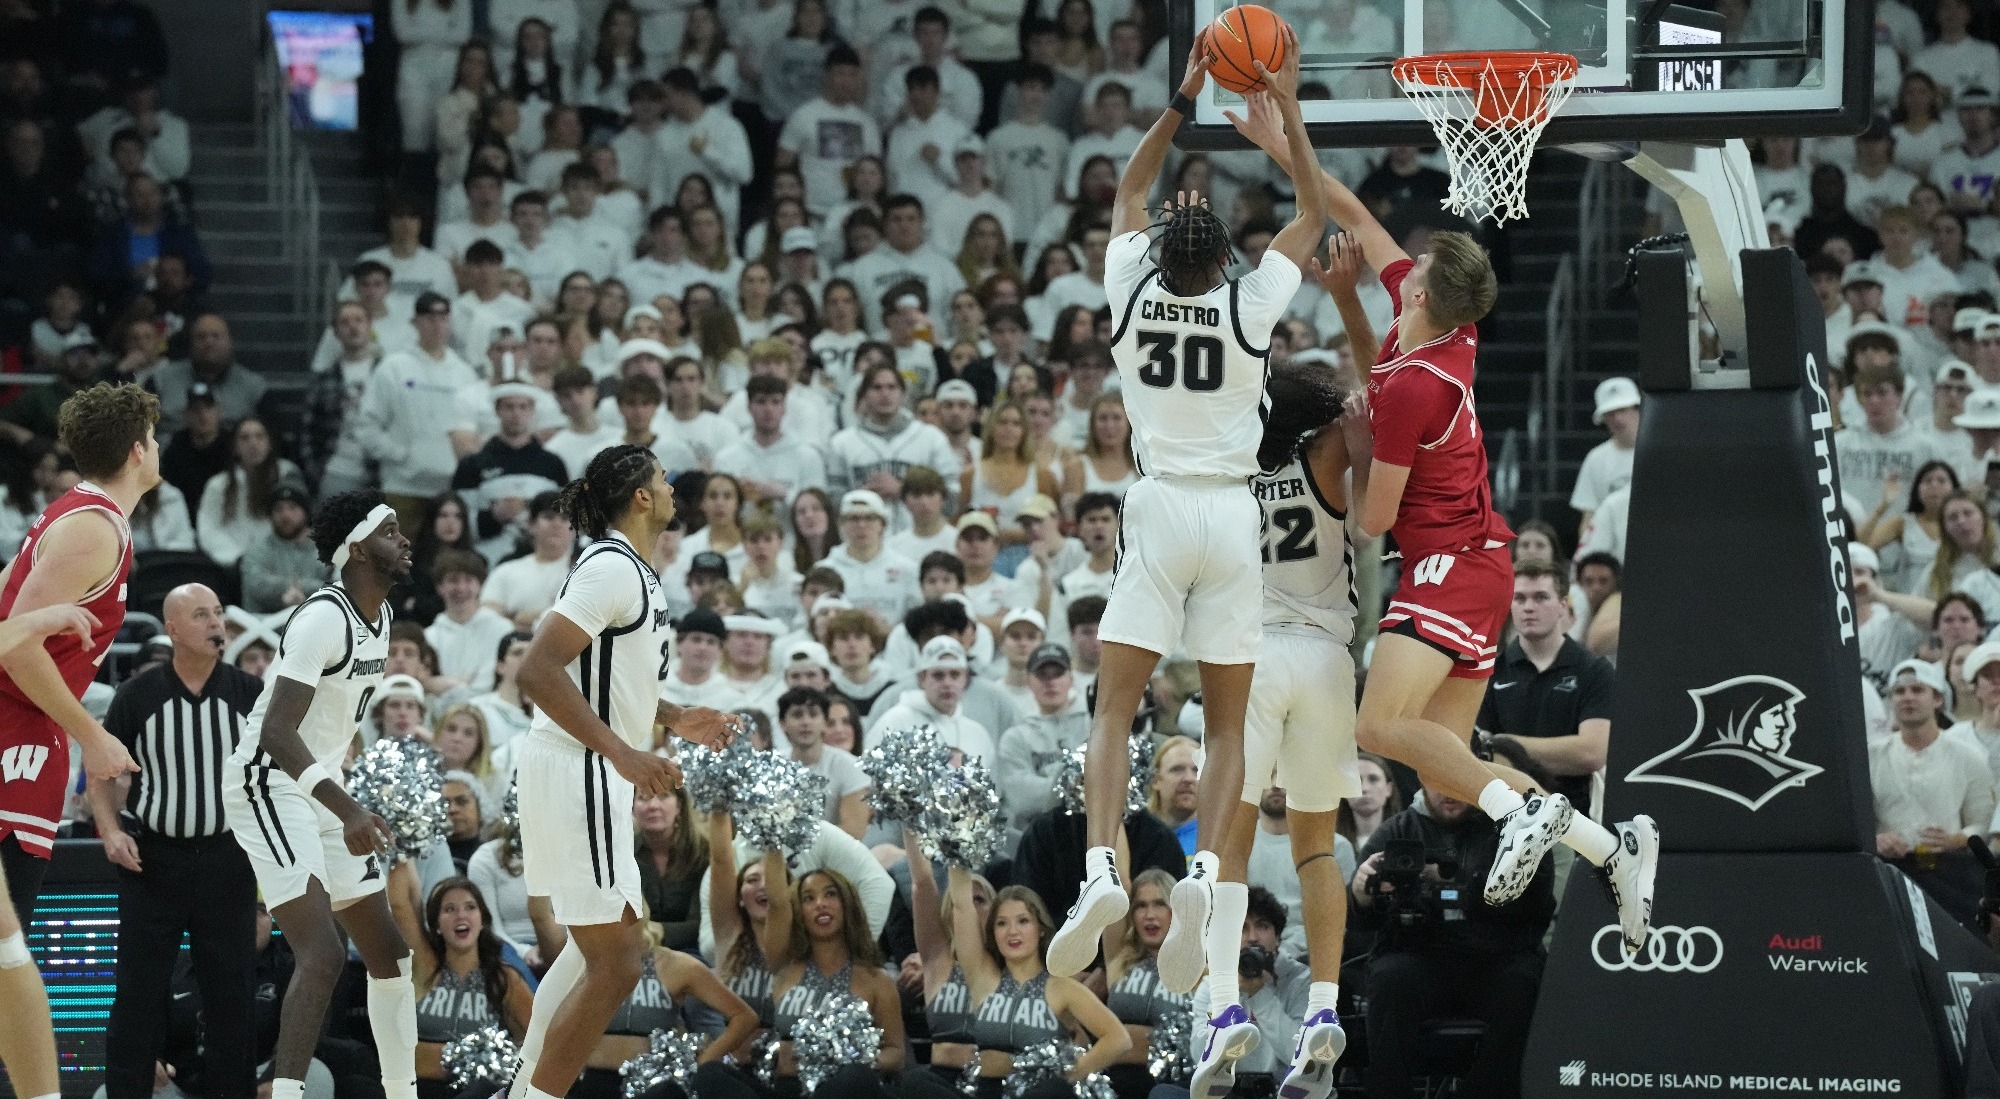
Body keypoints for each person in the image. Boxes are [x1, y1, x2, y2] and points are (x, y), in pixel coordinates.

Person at [1227, 90, 1654, 957]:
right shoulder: (1434, 337)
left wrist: (1350, 441)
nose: (1404, 263)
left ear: (1422, 291)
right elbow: (1346, 210)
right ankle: (1614, 847)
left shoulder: (1422, 380)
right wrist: (1286, 139)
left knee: (1376, 728)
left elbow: (1375, 519)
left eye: (1411, 267)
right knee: (1445, 755)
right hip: (1471, 564)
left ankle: (1530, 807)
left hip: (1448, 563)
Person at [1048, 42, 1326, 1099]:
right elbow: (1304, 212)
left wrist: (1181, 101)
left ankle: (1104, 868)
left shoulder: (1127, 280)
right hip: (1232, 515)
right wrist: (1285, 112)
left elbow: (1124, 185)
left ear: (1162, 247)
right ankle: (1207, 868)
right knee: (1221, 726)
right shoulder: (1251, 305)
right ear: (1227, 262)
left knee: (1114, 712)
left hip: (1157, 504)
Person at [504, 445, 739, 1099]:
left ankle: (523, 1088)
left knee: (593, 947)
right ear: (641, 496)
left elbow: (604, 681)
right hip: (580, 767)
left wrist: (675, 716)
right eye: (663, 480)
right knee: (620, 961)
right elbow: (537, 670)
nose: (670, 489)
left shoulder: (632, 570)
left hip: (579, 765)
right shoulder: (610, 567)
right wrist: (622, 753)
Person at [219, 490, 419, 1099]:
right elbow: (278, 734)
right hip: (266, 783)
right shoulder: (323, 617)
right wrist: (349, 808)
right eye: (389, 531)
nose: (404, 539)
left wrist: (342, 796)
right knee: (324, 954)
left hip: (320, 785)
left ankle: (402, 1091)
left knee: (391, 952)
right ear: (357, 549)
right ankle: (285, 1094)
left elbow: (328, 727)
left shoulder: (380, 615)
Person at [94, 583, 261, 1099]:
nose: (216, 624)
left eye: (218, 614)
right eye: (200, 615)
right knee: (137, 997)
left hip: (226, 861)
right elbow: (99, 771)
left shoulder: (249, 695)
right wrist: (108, 830)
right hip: (154, 861)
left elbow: (273, 776)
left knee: (231, 999)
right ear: (170, 629)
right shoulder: (137, 696)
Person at [0, 383, 153, 916]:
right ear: (138, 450)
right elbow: (17, 648)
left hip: (27, 725)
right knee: (8, 952)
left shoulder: (74, 512)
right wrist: (95, 737)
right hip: (15, 730)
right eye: (152, 438)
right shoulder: (93, 528)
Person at [1350, 763, 1557, 1099]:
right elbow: (1360, 928)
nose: (1448, 793)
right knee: (1389, 976)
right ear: (1421, 779)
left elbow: (1537, 908)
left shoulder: (1513, 830)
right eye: (1438, 780)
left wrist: (1458, 883)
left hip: (1496, 956)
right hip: (1419, 956)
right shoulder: (1396, 832)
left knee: (1524, 979)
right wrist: (1361, 894)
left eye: (1457, 780)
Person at [946, 865, 1129, 1098]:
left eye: (1023, 921)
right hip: (985, 1091)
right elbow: (962, 906)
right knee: (918, 1082)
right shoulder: (982, 976)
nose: (1013, 931)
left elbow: (1118, 1039)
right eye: (1002, 923)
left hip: (1039, 1094)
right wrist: (955, 848)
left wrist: (1068, 1077)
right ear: (992, 932)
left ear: (1040, 929)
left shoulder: (1061, 987)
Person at [753, 857, 905, 1096]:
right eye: (808, 898)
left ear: (847, 905)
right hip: (787, 1088)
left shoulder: (877, 980)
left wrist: (850, 1062)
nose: (820, 904)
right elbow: (777, 902)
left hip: (845, 1088)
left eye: (830, 894)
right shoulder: (784, 968)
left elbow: (895, 1054)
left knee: (857, 1077)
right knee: (713, 1074)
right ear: (798, 912)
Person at [1476, 562, 1617, 818]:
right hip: (1505, 815)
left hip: (1575, 818)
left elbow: (1591, 753)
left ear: (1563, 606)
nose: (1529, 607)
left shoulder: (1594, 670)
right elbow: (1481, 755)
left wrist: (1507, 744)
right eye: (1519, 598)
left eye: (1541, 597)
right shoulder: (1489, 672)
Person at [384, 862, 534, 1099]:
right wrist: (404, 847)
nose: (461, 915)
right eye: (449, 909)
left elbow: (536, 1044)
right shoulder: (425, 967)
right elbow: (400, 905)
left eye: (470, 907)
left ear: (483, 920)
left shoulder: (503, 979)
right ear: (437, 926)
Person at [1871, 658, 1995, 922]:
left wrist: (1956, 840)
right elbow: (1859, 821)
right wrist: (1877, 839)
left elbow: (1981, 823)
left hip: (1949, 874)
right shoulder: (1871, 757)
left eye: (1918, 690)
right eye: (1899, 691)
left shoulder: (1969, 756)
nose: (1908, 698)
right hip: (1888, 872)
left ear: (1937, 699)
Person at [994, 643, 1091, 828]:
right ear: (1029, 681)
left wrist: (1046, 787)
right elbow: (1022, 799)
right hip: (1037, 835)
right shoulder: (1015, 737)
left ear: (1071, 679)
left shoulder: (1092, 725)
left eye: (1058, 673)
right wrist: (1080, 788)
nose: (1050, 682)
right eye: (1042, 675)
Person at [776, 687, 872, 838]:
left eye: (813, 714)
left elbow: (854, 831)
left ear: (824, 722)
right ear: (783, 723)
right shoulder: (770, 766)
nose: (806, 722)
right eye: (797, 715)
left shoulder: (850, 767)